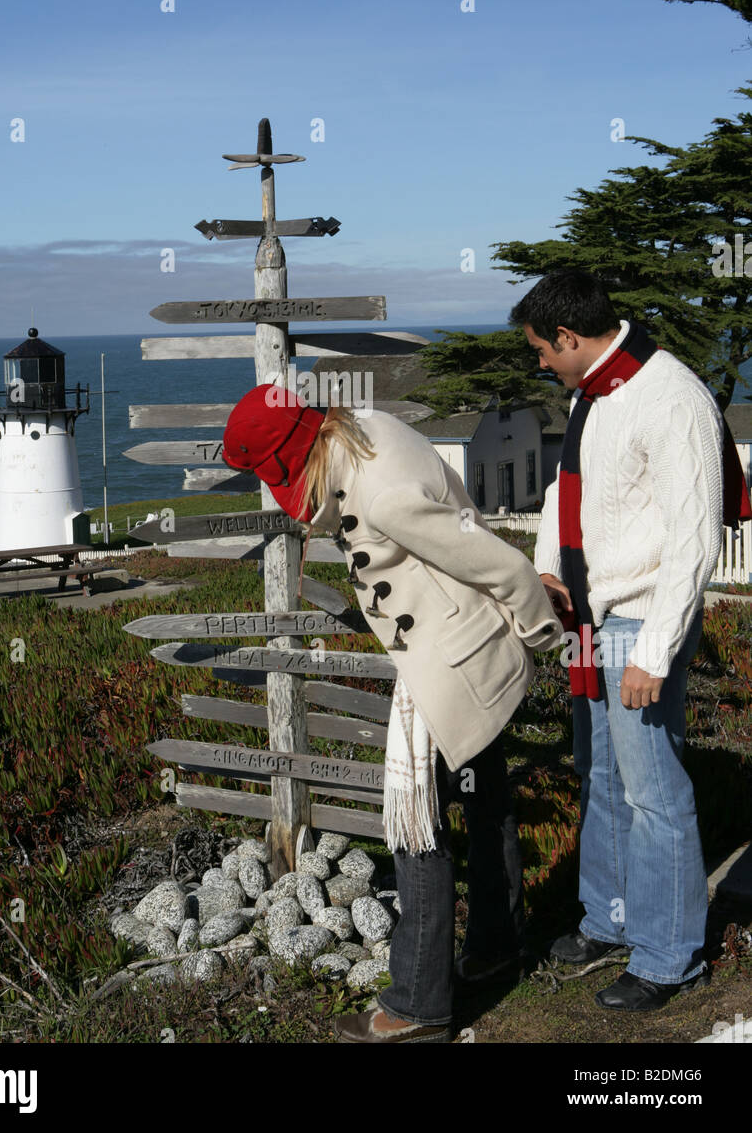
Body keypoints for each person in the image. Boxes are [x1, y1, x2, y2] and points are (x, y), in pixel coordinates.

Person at [222, 384, 563, 1043]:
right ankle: (495, 950)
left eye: (279, 474)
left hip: (450, 665)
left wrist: (540, 626)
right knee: (485, 802)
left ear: (296, 454)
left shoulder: (380, 494)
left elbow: (494, 561)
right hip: (462, 647)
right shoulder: (363, 426)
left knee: (416, 831)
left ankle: (417, 1007)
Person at [513, 268, 751, 1012]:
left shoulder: (670, 396)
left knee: (655, 794)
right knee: (602, 777)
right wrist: (548, 572)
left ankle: (667, 955)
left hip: (639, 621)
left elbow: (692, 542)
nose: (538, 364)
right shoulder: (596, 388)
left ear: (569, 336)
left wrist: (654, 649)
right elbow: (564, 490)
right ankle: (609, 920)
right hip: (588, 616)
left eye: (541, 351)